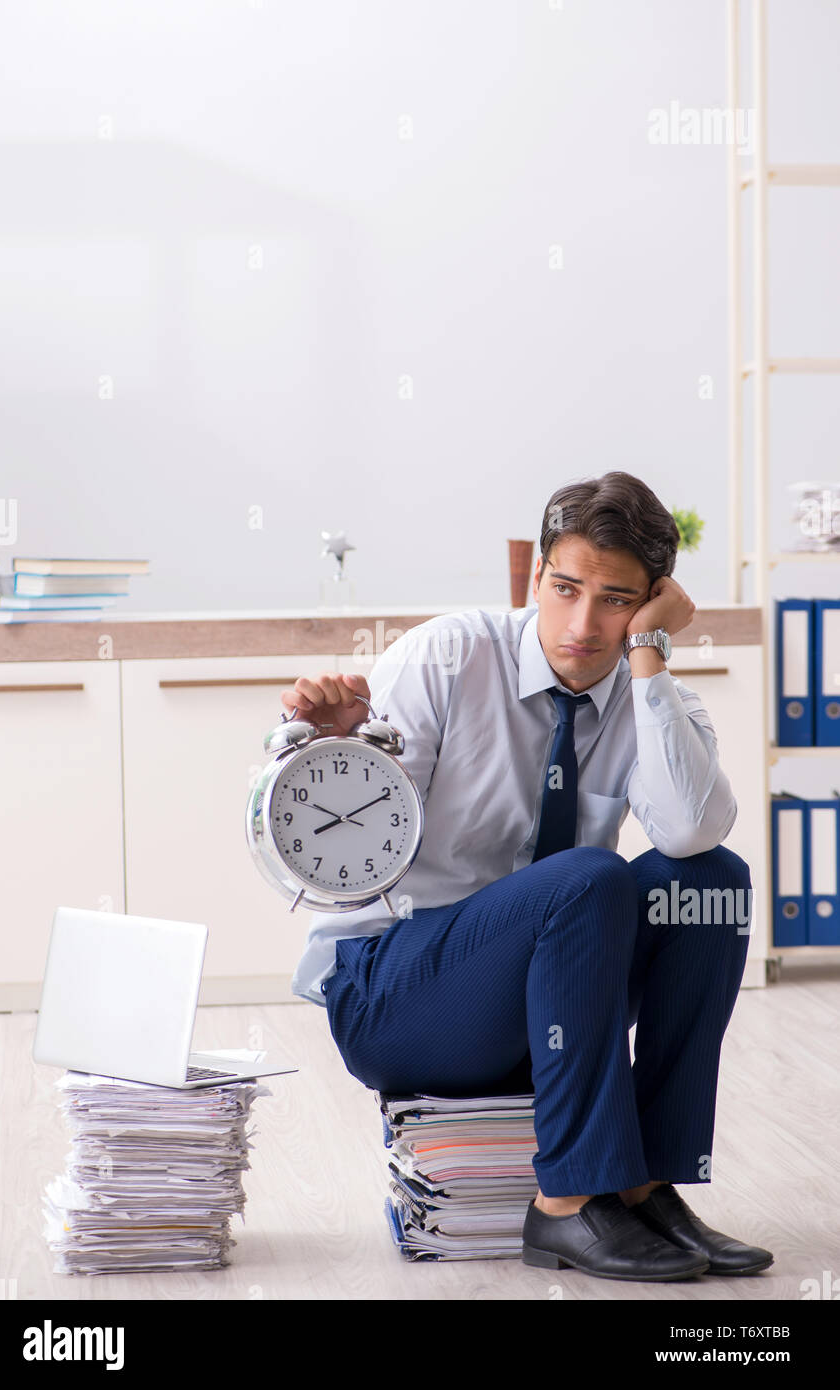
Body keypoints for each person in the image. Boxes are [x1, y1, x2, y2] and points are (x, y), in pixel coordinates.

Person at [282, 471, 773, 1283]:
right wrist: (340, 754)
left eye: (616, 601)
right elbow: (341, 847)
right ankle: (567, 1206)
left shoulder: (656, 697)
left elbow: (689, 832)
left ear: (652, 603)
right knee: (587, 877)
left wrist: (647, 658)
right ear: (535, 574)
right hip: (398, 993)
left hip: (549, 1003)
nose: (582, 626)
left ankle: (644, 1182)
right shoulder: (448, 655)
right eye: (564, 588)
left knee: (708, 880)